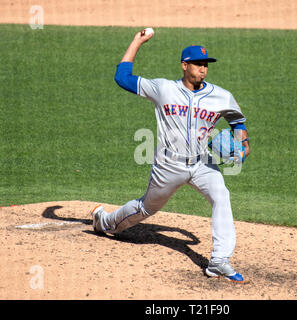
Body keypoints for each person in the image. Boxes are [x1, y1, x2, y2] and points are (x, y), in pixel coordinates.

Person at [91, 29, 250, 283]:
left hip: (202, 162)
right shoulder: (163, 89)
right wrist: (137, 41)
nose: (203, 69)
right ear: (184, 65)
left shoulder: (222, 95)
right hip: (168, 165)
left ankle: (219, 261)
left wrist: (243, 145)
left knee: (221, 196)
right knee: (146, 208)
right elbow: (122, 77)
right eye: (198, 64)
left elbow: (237, 120)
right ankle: (105, 222)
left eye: (206, 65)